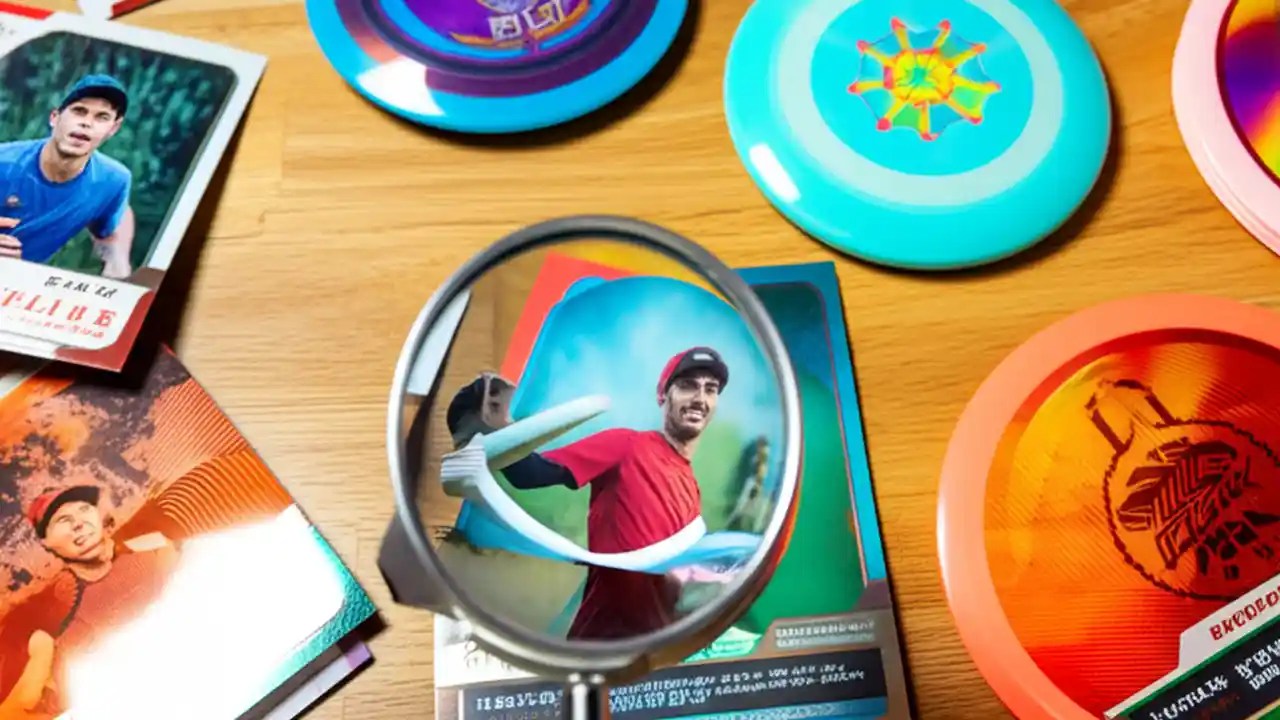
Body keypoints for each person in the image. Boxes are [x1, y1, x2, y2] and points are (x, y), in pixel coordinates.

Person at [444, 346, 729, 640]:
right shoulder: (627, 445)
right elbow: (529, 474)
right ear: (662, 394)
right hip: (602, 644)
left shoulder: (692, 489)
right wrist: (490, 428)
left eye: (711, 389)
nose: (700, 398)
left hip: (657, 650)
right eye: (687, 386)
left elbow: (673, 581)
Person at [0, 485, 178, 718]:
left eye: (83, 509)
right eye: (62, 520)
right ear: (48, 544)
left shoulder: (151, 547)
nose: (77, 523)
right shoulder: (59, 605)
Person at [0, 74, 135, 279]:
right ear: (55, 117)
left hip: (20, 292)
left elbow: (115, 224)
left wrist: (117, 266)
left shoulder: (114, 181)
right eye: (79, 111)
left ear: (114, 128)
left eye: (102, 117)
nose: (87, 123)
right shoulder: (5, 162)